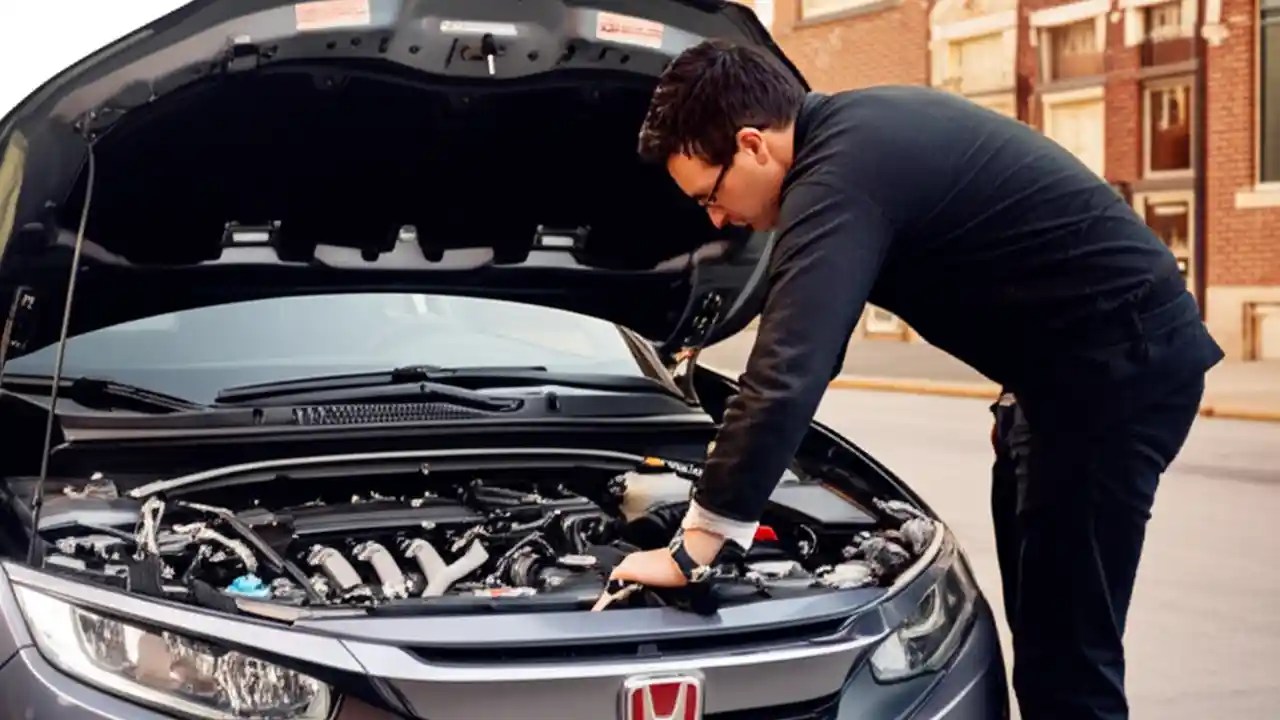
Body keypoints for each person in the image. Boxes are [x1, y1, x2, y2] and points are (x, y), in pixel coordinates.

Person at [607, 38, 1224, 720]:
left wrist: (697, 546)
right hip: (1063, 380)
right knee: (1046, 645)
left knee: (1069, 663)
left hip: (1116, 378)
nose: (717, 219)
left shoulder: (841, 171)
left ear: (752, 144)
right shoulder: (855, 137)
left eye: (710, 196)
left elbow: (792, 365)